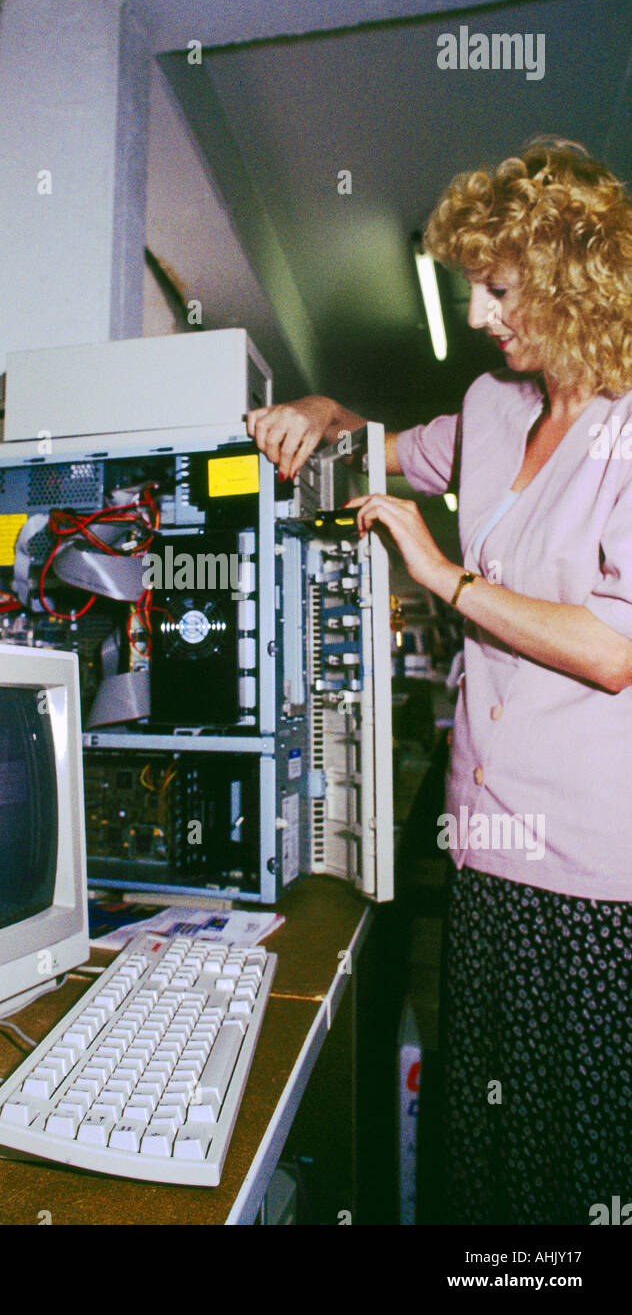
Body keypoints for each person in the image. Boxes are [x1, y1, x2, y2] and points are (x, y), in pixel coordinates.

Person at [247, 139, 632, 1226]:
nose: (474, 316)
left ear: (575, 277)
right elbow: (373, 448)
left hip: (597, 877)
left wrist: (442, 575)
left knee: (580, 1161)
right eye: (470, 288)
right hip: (482, 843)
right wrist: (315, 412)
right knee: (486, 1147)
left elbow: (613, 647)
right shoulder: (490, 408)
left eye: (497, 289)